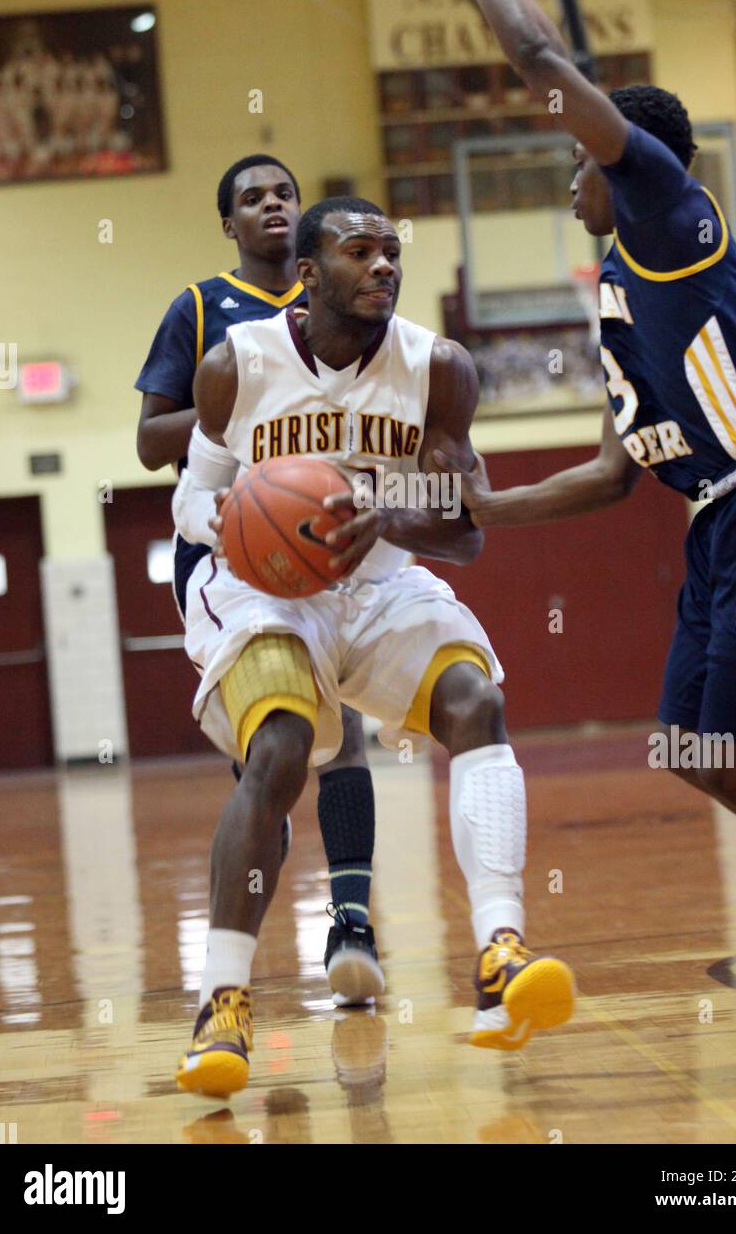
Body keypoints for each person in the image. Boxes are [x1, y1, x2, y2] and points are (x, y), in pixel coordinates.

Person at [440, 0, 736, 1050]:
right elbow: (617, 473)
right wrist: (485, 511)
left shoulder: (667, 208)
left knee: (722, 742)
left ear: (624, 161)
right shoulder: (622, 297)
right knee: (691, 744)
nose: (569, 185)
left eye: (577, 165)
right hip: (726, 508)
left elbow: (540, 61)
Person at [171, 195, 575, 1097]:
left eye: (393, 252)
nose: (385, 266)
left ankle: (501, 956)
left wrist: (385, 518)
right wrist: (261, 521)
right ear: (308, 274)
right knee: (277, 750)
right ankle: (222, 1001)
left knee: (477, 701)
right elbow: (190, 505)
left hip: (384, 582)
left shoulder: (440, 368)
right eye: (361, 252)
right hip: (265, 590)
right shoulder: (234, 366)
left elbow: (466, 532)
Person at [134, 154, 383, 1008]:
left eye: (284, 192)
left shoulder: (348, 298)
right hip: (229, 538)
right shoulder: (201, 309)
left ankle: (352, 924)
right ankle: (240, 946)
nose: (271, 204)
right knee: (271, 750)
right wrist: (238, 400)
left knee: (342, 723)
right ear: (229, 224)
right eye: (251, 197)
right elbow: (148, 441)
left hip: (326, 532)